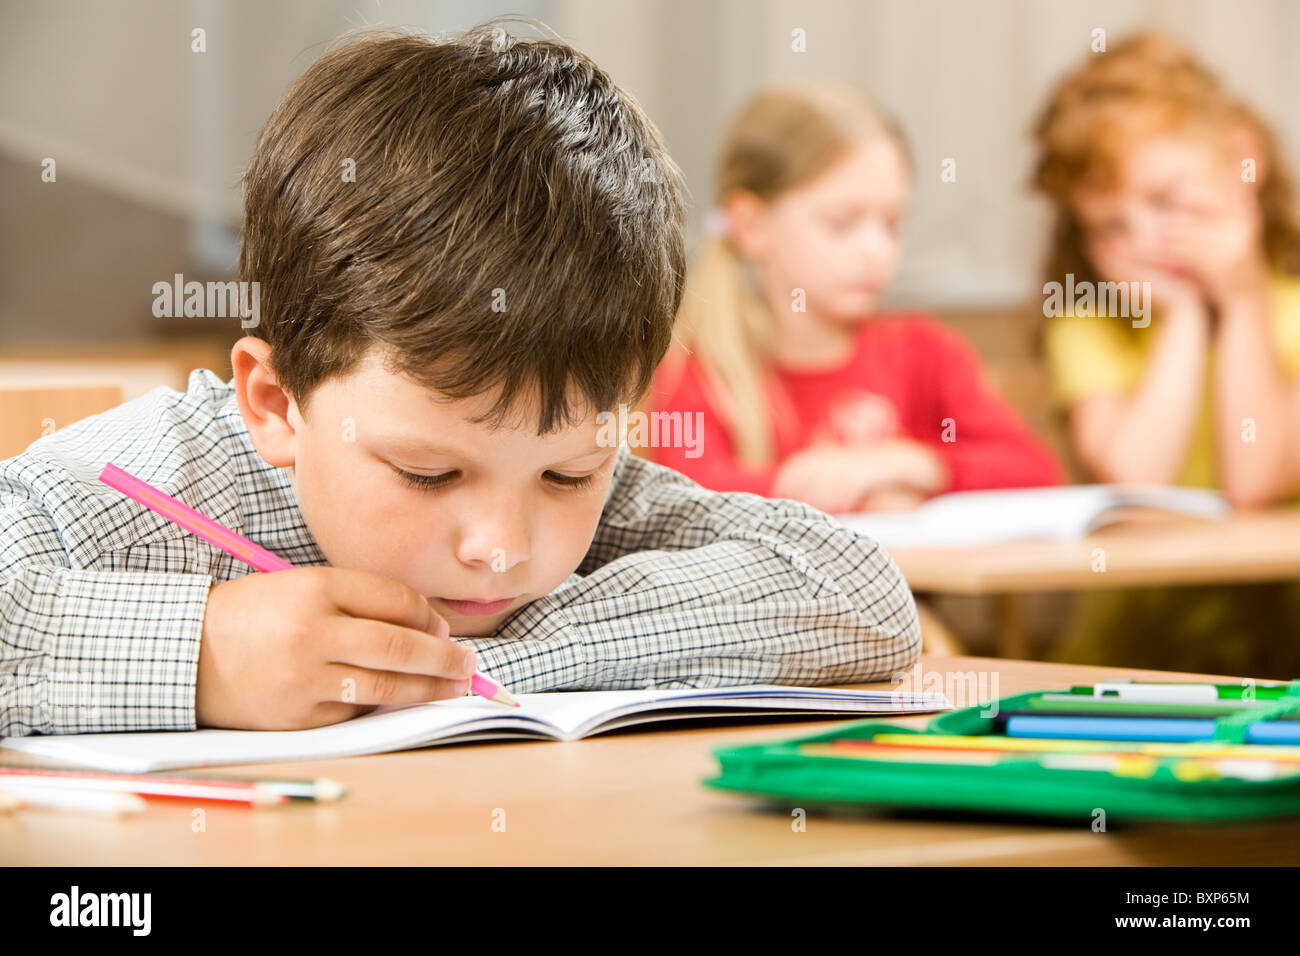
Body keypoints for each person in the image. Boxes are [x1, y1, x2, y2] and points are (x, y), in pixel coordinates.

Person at [0, 24, 920, 737]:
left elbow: (856, 593)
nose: (501, 547)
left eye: (566, 478)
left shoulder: (585, 475)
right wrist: (198, 656)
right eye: (427, 474)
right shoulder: (149, 482)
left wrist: (474, 669)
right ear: (276, 403)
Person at [648, 79, 1061, 514]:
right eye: (843, 223)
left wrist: (914, 465)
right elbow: (689, 500)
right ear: (751, 226)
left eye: (891, 223)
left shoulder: (926, 353)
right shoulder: (697, 371)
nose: (878, 252)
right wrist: (831, 491)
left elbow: (1035, 471)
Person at [1033, 31, 1300, 675]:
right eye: (1110, 226)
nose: (1147, 240)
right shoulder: (1088, 321)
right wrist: (1183, 316)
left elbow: (1256, 480)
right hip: (1134, 660)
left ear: (1242, 161)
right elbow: (1139, 483)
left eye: (1163, 200)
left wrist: (1239, 302)